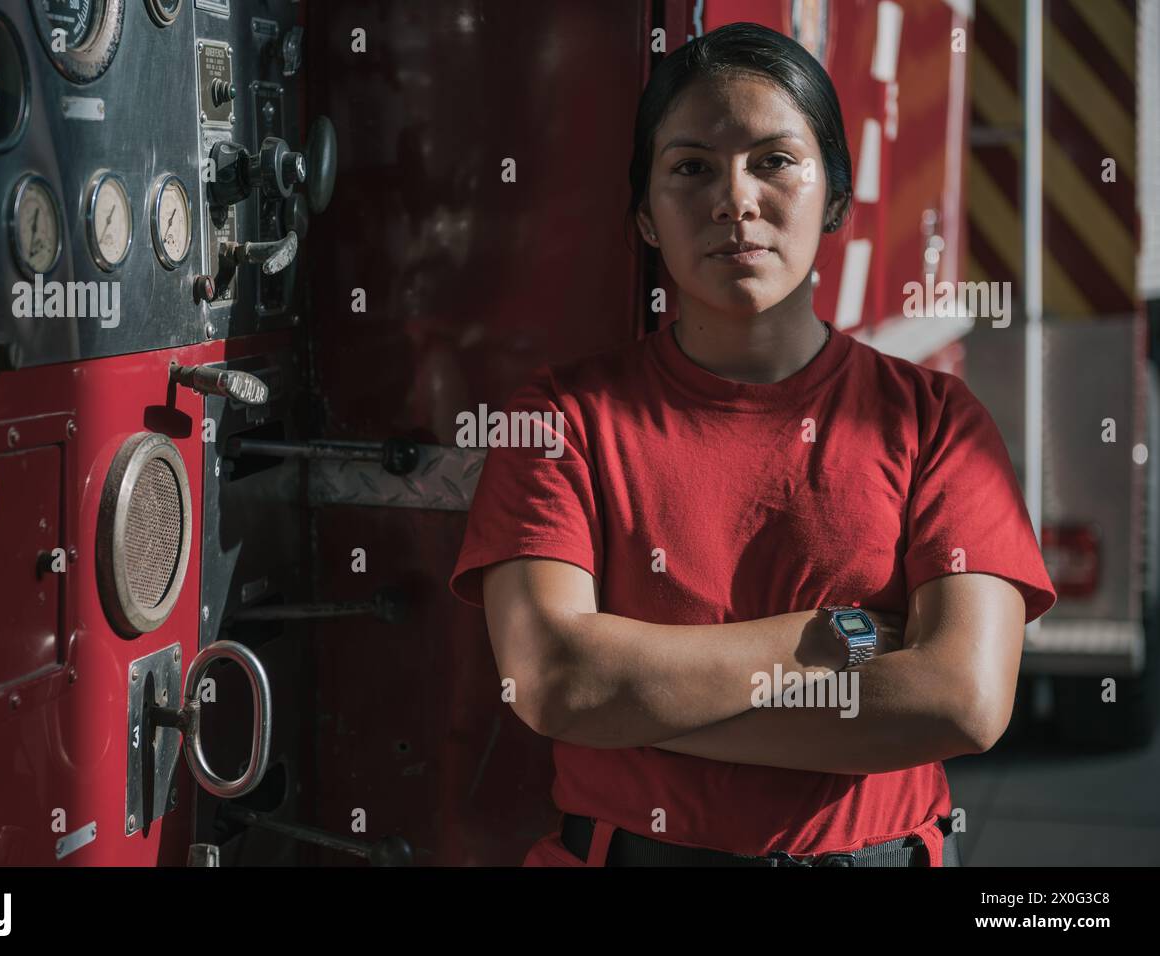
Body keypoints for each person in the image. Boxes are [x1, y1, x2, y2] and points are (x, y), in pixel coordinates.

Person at [448, 22, 1056, 867]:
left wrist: (643, 708)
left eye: (775, 159)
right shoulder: (561, 420)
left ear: (836, 198)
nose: (735, 199)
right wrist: (831, 640)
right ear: (647, 219)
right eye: (692, 167)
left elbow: (960, 700)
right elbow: (554, 679)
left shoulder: (935, 422)